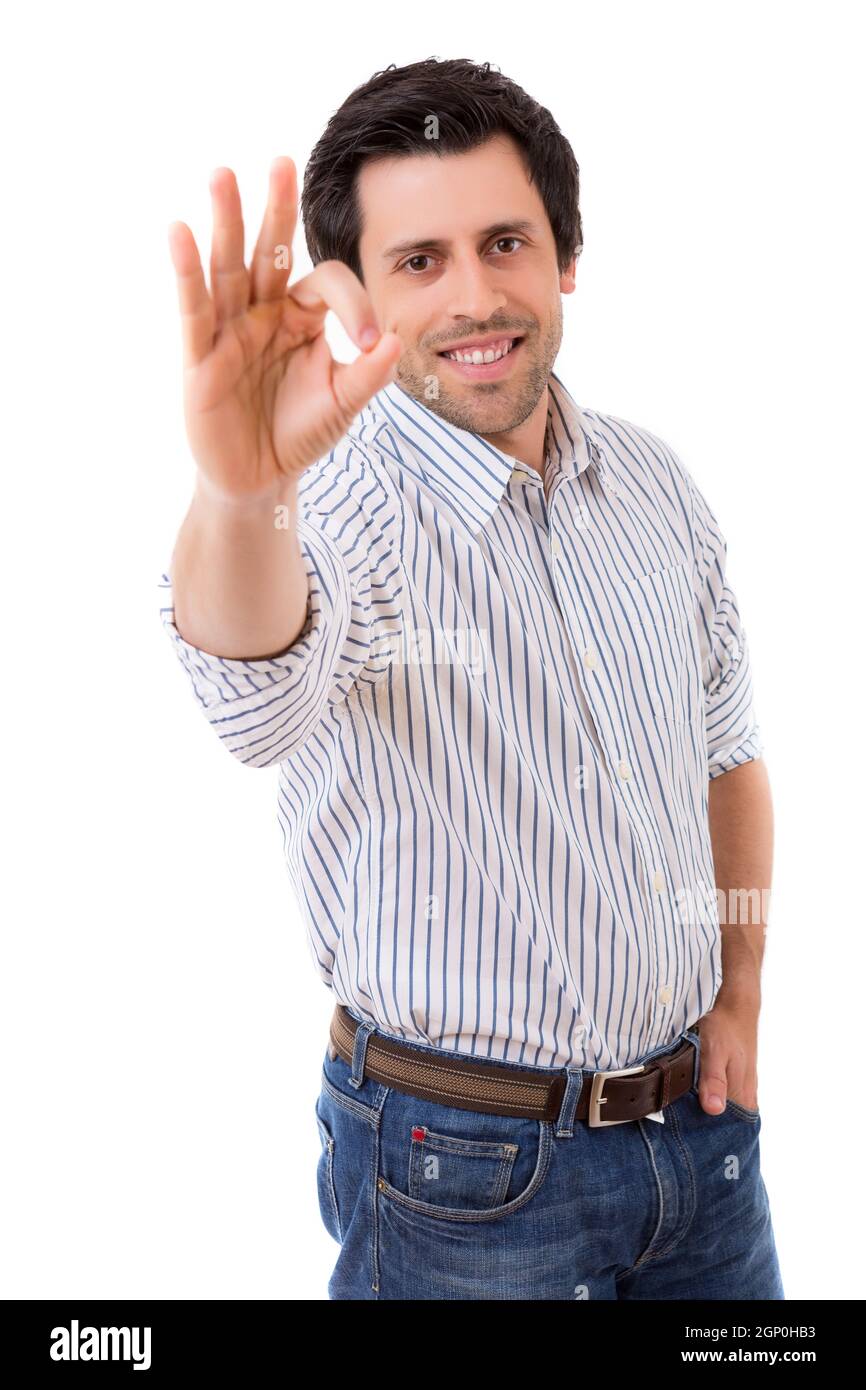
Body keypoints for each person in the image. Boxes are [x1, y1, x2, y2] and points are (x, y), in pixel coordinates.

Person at [158, 57, 783, 1301]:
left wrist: (740, 1000)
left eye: (504, 242)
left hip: (697, 1144)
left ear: (564, 260)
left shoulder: (655, 486)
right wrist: (241, 490)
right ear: (351, 297)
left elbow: (725, 755)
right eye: (419, 260)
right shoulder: (330, 506)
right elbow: (251, 701)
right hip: (462, 1172)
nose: (475, 294)